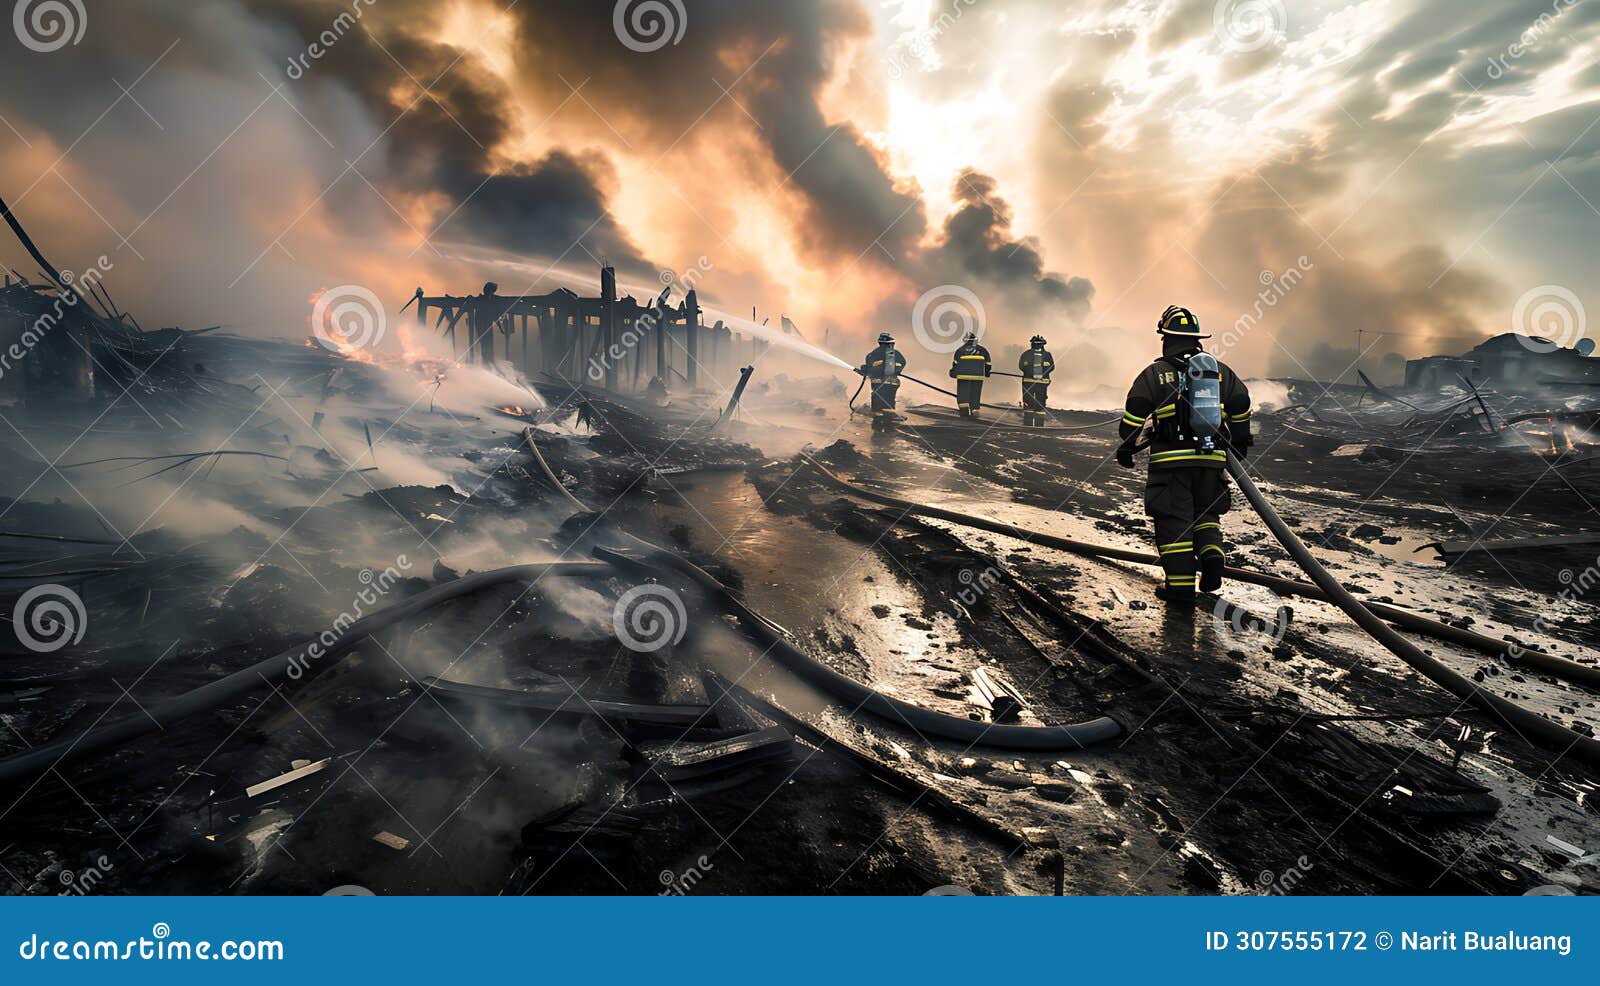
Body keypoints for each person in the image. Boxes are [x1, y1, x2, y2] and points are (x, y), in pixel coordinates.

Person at [1115, 306, 1252, 603]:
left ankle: (1180, 591)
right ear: (1196, 339)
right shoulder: (1219, 372)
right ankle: (1213, 555)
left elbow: (1133, 417)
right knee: (1206, 514)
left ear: (1165, 336)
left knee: (1174, 522)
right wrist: (1239, 442)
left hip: (1171, 464)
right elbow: (1241, 402)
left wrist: (1126, 447)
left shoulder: (1155, 373)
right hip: (1212, 460)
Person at [859, 332, 907, 432]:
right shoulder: (896, 354)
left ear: (880, 343)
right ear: (891, 343)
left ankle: (877, 427)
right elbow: (903, 363)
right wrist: (897, 370)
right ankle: (889, 426)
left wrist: (864, 370)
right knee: (889, 402)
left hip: (877, 383)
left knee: (877, 405)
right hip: (893, 383)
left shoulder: (873, 354)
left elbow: (870, 368)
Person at [949, 332, 992, 418]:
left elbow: (955, 365)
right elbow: (988, 364)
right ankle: (975, 411)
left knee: (963, 394)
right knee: (975, 393)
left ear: (965, 340)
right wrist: (987, 373)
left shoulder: (960, 350)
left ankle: (964, 412)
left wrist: (953, 373)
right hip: (978, 376)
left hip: (963, 376)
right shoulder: (983, 350)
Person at [1018, 335, 1054, 427]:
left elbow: (1022, 366)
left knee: (1029, 403)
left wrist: (1029, 372)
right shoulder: (1047, 355)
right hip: (1040, 383)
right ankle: (1039, 426)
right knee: (1040, 404)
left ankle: (1028, 425)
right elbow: (1051, 367)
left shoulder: (1026, 354)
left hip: (1028, 383)